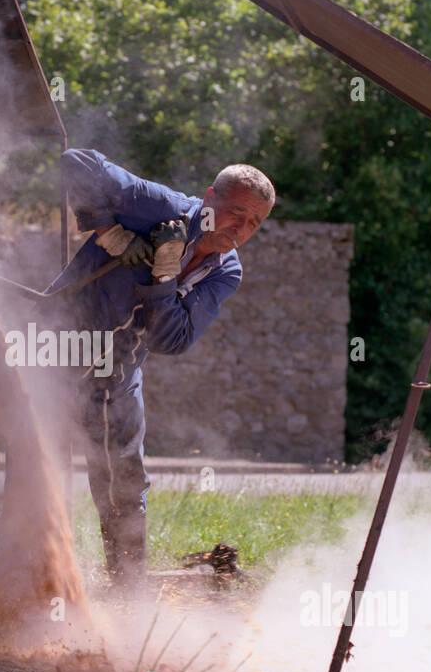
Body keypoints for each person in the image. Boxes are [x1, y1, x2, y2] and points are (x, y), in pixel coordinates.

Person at [46, 148, 275, 583]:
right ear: (209, 198)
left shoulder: (225, 272)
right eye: (235, 212)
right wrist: (108, 227)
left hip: (118, 370)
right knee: (41, 462)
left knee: (125, 480)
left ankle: (128, 587)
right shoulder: (158, 207)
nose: (241, 229)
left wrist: (163, 277)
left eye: (254, 223)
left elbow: (172, 340)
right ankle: (25, 575)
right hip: (55, 347)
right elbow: (75, 161)